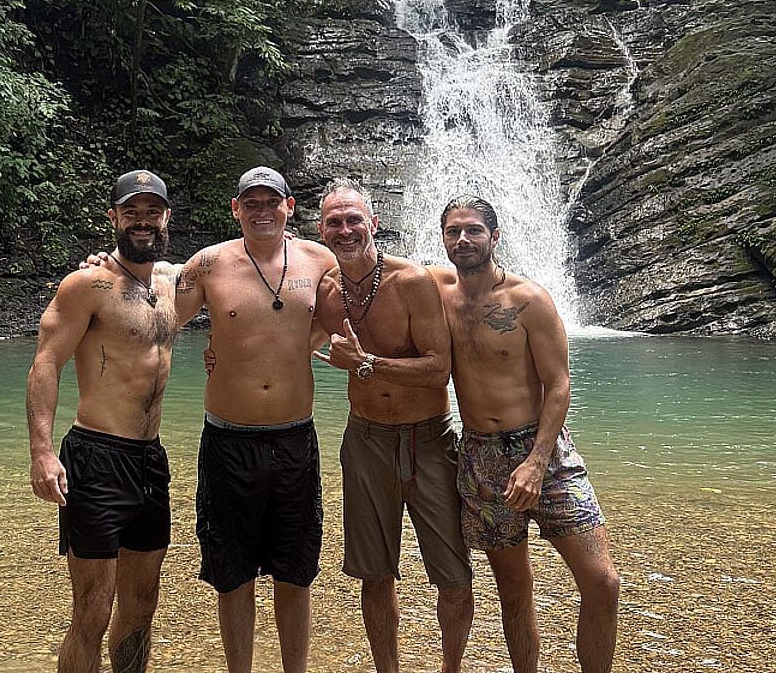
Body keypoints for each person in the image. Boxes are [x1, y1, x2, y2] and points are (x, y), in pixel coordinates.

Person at [429, 195, 620, 673]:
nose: (463, 240)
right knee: (514, 590)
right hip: (480, 457)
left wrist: (536, 462)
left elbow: (559, 385)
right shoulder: (438, 295)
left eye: (474, 230)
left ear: (494, 236)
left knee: (602, 582)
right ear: (444, 239)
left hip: (544, 451)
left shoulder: (528, 300)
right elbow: (368, 266)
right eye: (454, 231)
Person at [174, 166, 337, 673]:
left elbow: (349, 317)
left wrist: (296, 349)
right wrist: (107, 265)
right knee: (232, 572)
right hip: (228, 439)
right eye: (252, 202)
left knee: (296, 570)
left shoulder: (319, 259)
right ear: (236, 208)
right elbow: (155, 312)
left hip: (294, 438)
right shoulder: (208, 264)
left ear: (290, 206)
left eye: (272, 201)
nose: (262, 210)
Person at [311, 179, 474, 673]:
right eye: (334, 222)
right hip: (366, 441)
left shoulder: (412, 282)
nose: (345, 230)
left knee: (453, 573)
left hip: (430, 439)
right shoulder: (327, 291)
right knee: (374, 573)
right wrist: (218, 355)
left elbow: (438, 368)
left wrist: (366, 365)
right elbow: (288, 341)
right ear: (321, 230)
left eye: (354, 219)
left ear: (374, 224)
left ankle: (450, 668)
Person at [25, 169, 179, 673]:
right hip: (96, 456)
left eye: (151, 212)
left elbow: (244, 279)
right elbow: (46, 363)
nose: (142, 222)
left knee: (142, 605)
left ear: (166, 219)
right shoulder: (86, 285)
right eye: (131, 212)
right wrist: (42, 453)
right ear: (112, 218)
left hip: (149, 460)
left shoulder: (174, 282)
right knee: (93, 607)